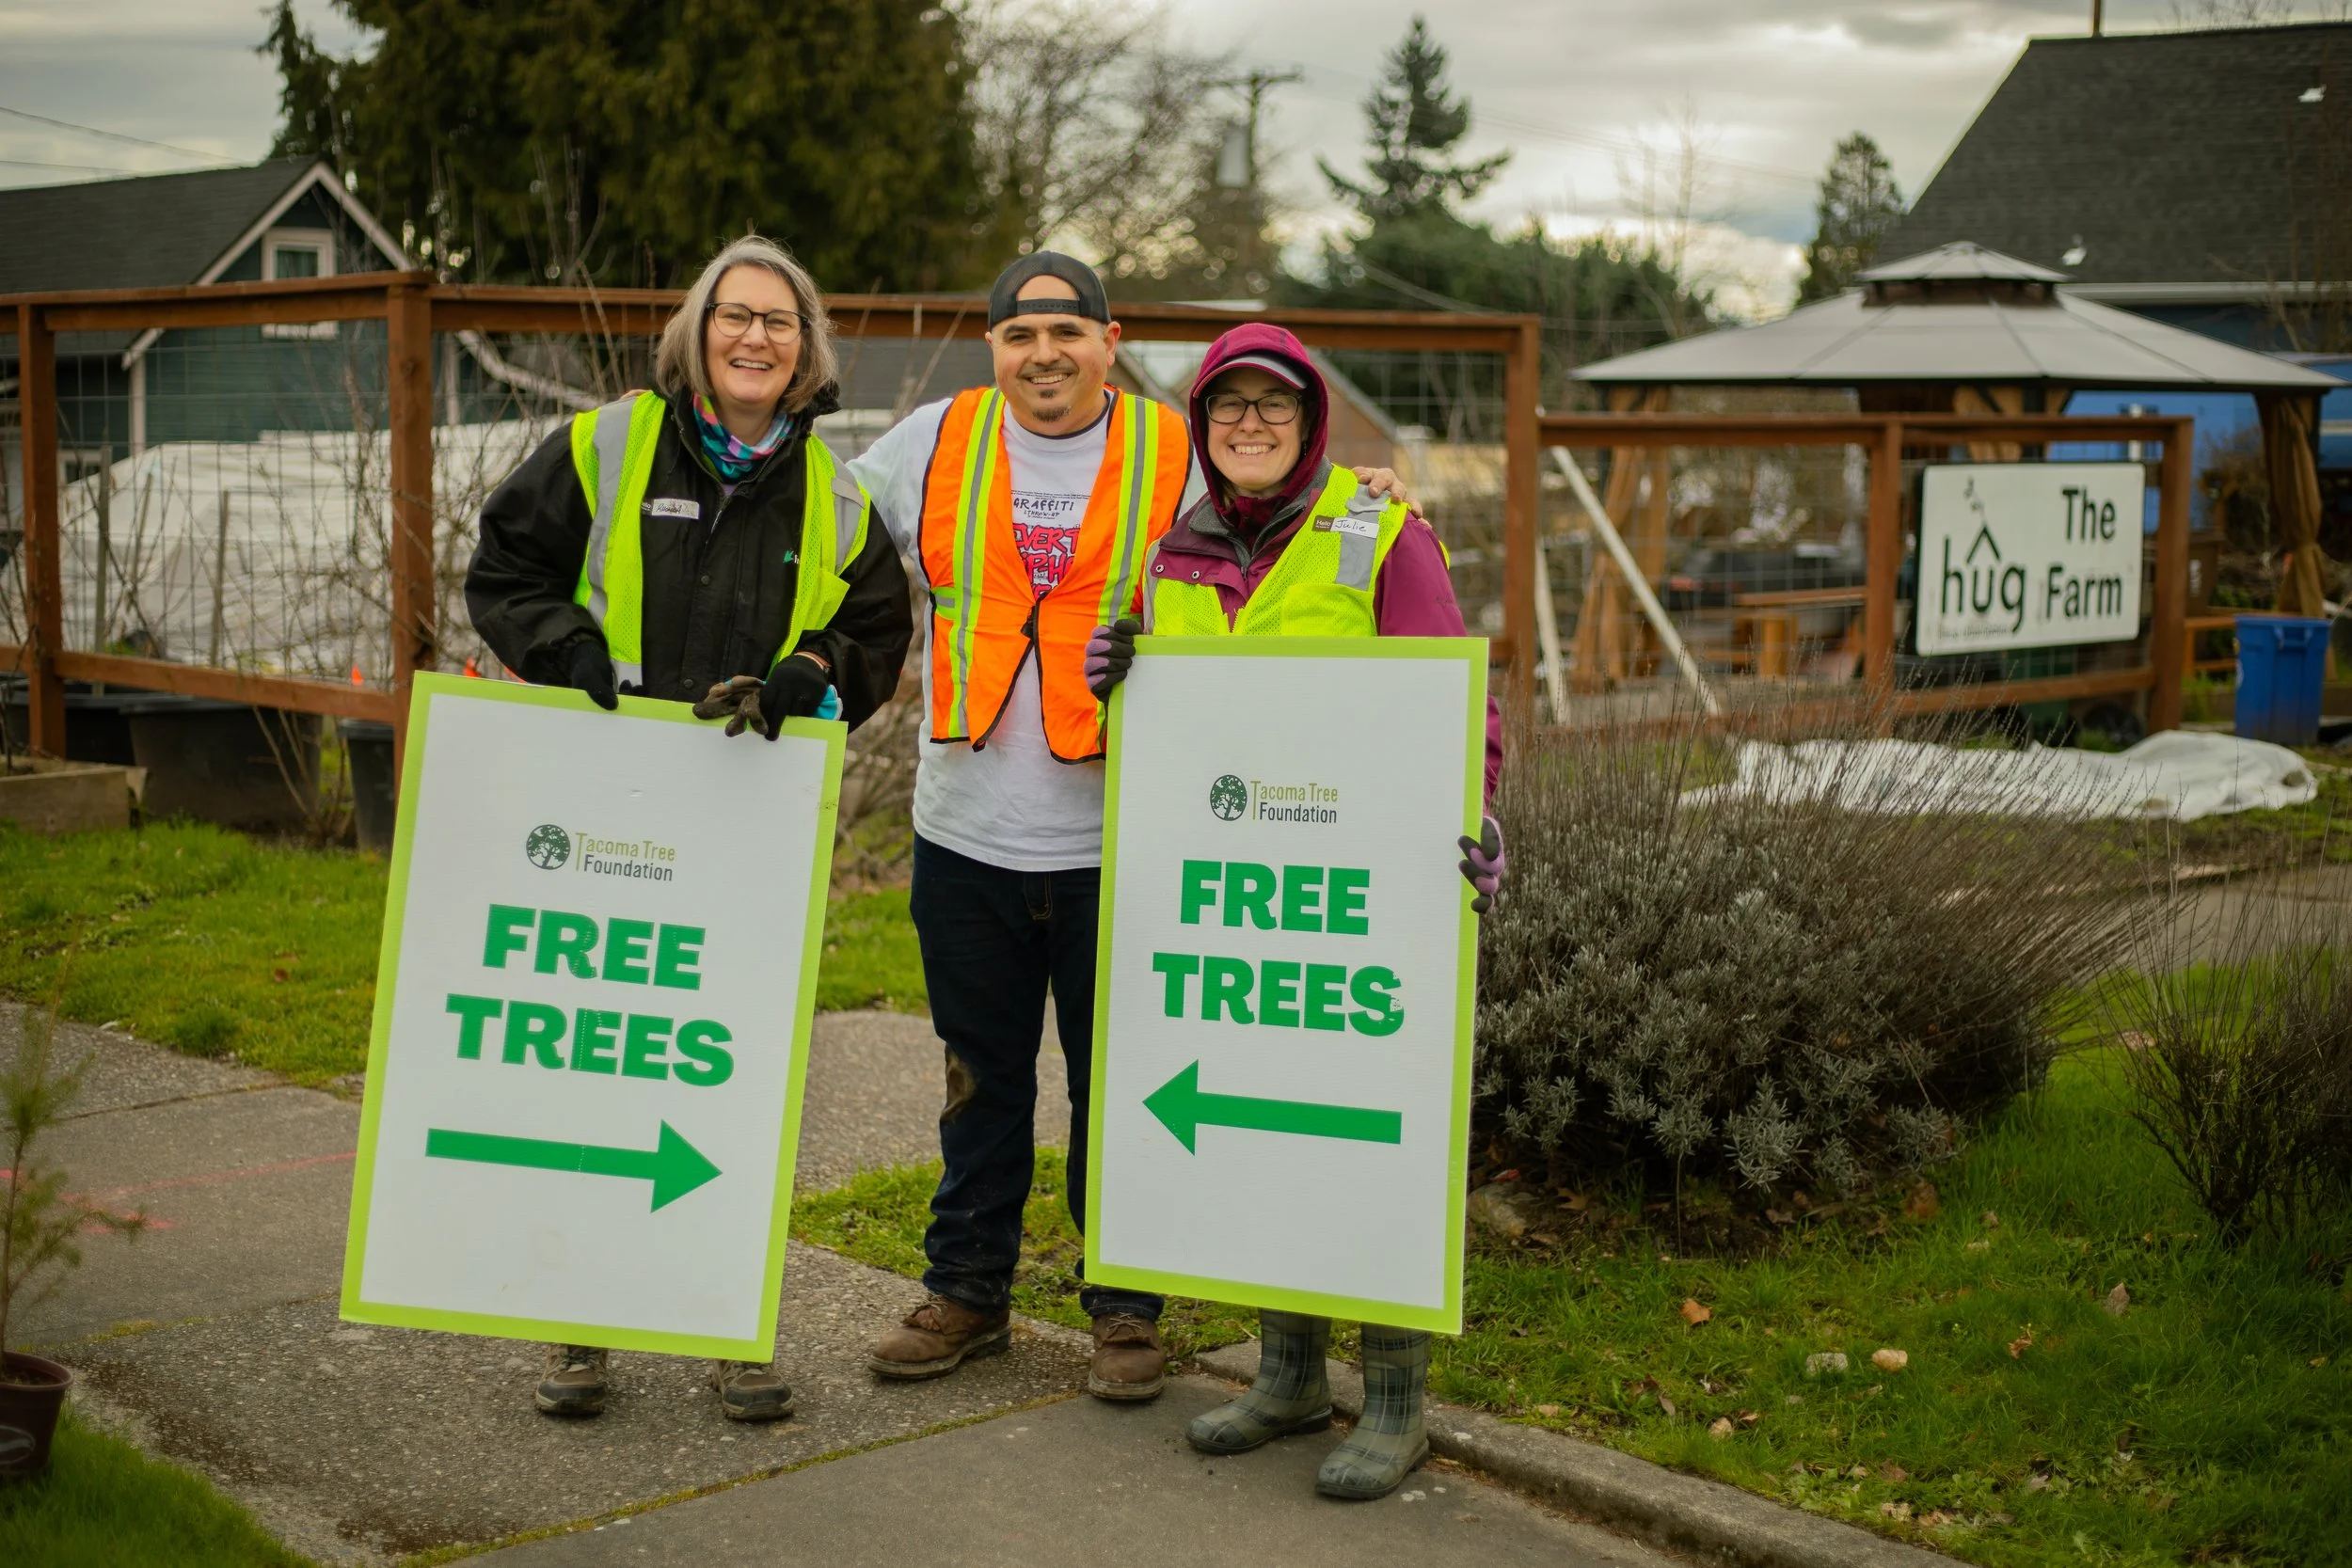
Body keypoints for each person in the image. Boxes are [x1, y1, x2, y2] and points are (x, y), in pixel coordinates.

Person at [846, 254, 1414, 1404]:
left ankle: (1124, 1305)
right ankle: (967, 1292)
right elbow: (816, 528)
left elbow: (1277, 502)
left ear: (1110, 339)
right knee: (981, 1077)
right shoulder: (928, 443)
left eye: (1066, 329)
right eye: (1018, 333)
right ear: (992, 348)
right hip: (966, 832)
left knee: (1124, 1079)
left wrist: (1369, 497)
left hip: (1128, 836)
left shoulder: (1173, 450)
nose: (1042, 352)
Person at [464, 234, 914, 1424]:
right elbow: (506, 564)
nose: (755, 337)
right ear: (697, 333)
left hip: (746, 813)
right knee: (599, 1052)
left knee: (736, 1068)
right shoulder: (604, 445)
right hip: (608, 797)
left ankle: (731, 1321)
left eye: (780, 321)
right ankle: (580, 1323)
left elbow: (876, 631)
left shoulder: (840, 494)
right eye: (735, 316)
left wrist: (812, 671)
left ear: (807, 351)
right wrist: (563, 654)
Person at [1085, 321, 1505, 1499]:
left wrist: (1478, 817)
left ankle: (1395, 1400)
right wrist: (1121, 681)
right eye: (1229, 408)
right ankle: (1284, 1374)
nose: (1251, 425)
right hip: (1247, 895)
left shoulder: (1381, 530)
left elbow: (1451, 697)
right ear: (1204, 426)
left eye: (1274, 407)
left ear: (1311, 421)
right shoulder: (1176, 552)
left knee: (1367, 1126)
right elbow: (1171, 736)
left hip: (1362, 889)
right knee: (1265, 1121)